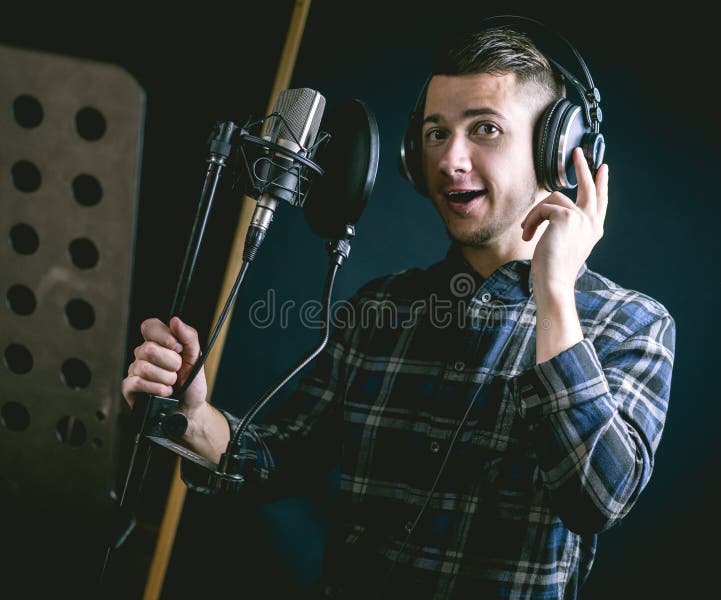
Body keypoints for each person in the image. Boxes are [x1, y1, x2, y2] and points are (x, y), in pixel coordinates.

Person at [122, 20, 676, 600]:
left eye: (484, 129)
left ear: (558, 152)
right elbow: (274, 458)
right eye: (436, 133)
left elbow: (596, 498)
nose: (451, 159)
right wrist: (190, 413)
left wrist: (555, 293)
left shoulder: (631, 325)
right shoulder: (380, 310)